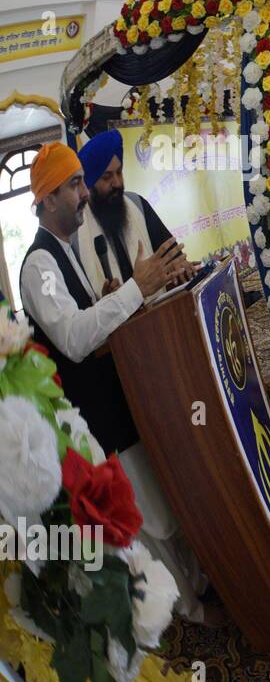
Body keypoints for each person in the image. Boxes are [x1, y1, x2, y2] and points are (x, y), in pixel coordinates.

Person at [19, 142, 206, 621]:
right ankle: (187, 610)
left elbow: (89, 321)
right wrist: (133, 289)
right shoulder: (40, 265)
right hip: (99, 416)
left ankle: (196, 589)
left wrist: (113, 299)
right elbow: (75, 339)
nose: (84, 193)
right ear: (47, 200)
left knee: (164, 505)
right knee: (153, 519)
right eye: (74, 185)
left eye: (84, 182)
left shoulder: (67, 252)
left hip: (122, 403)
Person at [74, 129, 180, 295]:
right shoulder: (78, 233)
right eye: (107, 177)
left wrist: (179, 265)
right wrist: (108, 299)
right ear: (90, 183)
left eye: (119, 172)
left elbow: (170, 254)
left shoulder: (137, 204)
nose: (116, 183)